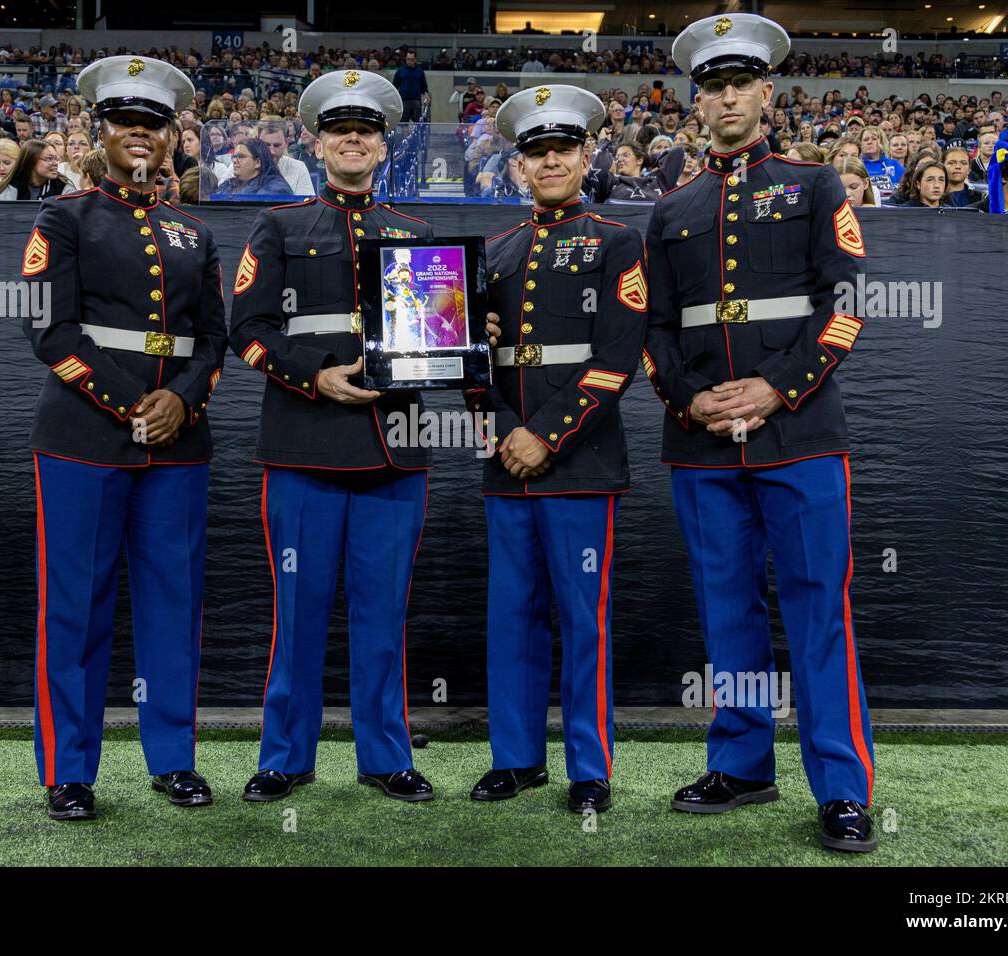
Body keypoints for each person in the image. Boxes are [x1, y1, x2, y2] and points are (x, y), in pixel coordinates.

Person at [646, 13, 876, 853]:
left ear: (768, 94)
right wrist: (692, 402)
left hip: (802, 435)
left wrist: (775, 390)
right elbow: (656, 330)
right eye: (713, 86)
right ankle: (742, 765)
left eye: (741, 82)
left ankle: (843, 790)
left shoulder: (817, 186)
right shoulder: (670, 207)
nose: (728, 97)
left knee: (820, 612)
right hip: (702, 443)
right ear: (697, 102)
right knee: (726, 609)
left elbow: (846, 305)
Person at [228, 69, 445, 804]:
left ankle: (386, 756)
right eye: (339, 129)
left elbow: (439, 340)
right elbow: (247, 331)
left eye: (367, 130)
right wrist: (313, 374)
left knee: (383, 615)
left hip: (394, 446)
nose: (353, 139)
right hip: (303, 444)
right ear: (319, 142)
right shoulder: (280, 227)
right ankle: (285, 756)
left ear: (384, 146)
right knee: (299, 612)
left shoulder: (417, 235)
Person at [22, 54, 227, 822]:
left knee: (174, 605)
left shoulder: (193, 231)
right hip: (81, 437)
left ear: (173, 136)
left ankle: (173, 759)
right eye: (124, 124)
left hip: (179, 442)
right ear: (99, 133)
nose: (139, 136)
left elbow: (216, 339)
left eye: (154, 125)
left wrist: (178, 402)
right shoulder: (63, 218)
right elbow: (50, 330)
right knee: (75, 607)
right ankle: (68, 771)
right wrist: (133, 402)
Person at [464, 85, 646, 815]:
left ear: (586, 154)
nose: (549, 161)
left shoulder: (616, 240)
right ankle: (515, 758)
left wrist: (545, 434)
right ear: (518, 166)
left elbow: (618, 356)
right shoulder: (496, 254)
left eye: (561, 149)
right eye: (535, 152)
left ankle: (590, 768)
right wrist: (504, 430)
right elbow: (473, 362)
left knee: (583, 618)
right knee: (511, 614)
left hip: (581, 462)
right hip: (506, 462)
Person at [0, 140, 73, 200]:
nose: (55, 163)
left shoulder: (63, 187)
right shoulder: (11, 186)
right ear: (32, 161)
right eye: (49, 158)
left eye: (56, 158)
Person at [211, 137, 291, 197]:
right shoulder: (228, 184)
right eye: (234, 157)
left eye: (241, 157)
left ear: (257, 163)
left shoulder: (276, 188)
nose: (235, 161)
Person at [257, 120, 314, 194]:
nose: (271, 151)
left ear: (286, 143)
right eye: (266, 145)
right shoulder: (244, 166)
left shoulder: (298, 167)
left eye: (277, 145)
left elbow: (307, 203)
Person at [392, 50, 429, 123]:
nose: (409, 61)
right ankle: (405, 135)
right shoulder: (400, 71)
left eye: (412, 59)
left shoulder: (419, 71)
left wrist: (426, 95)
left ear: (415, 60)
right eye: (408, 59)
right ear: (405, 59)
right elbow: (395, 86)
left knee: (417, 123)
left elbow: (423, 86)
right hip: (404, 100)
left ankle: (416, 135)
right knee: (404, 123)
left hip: (416, 100)